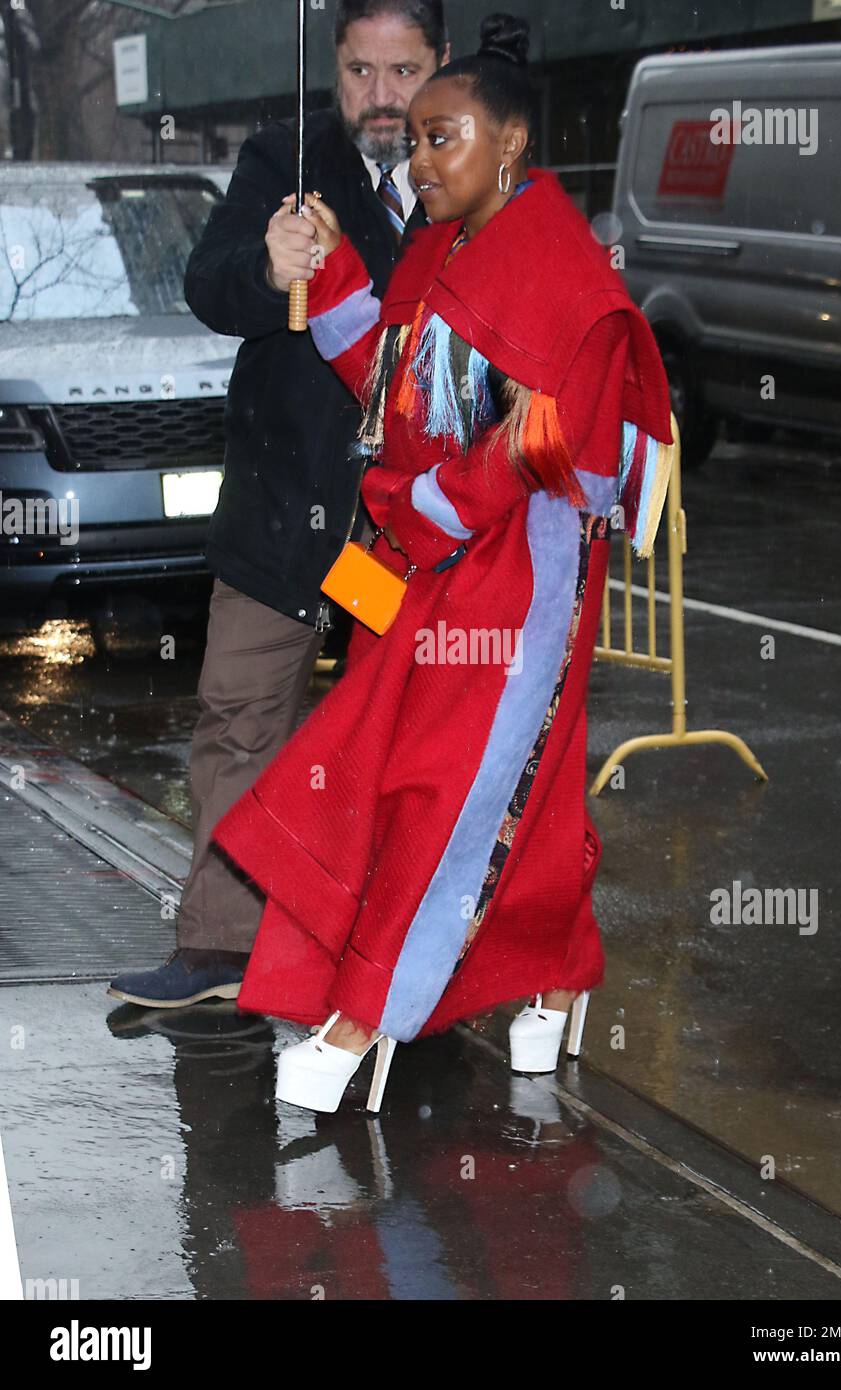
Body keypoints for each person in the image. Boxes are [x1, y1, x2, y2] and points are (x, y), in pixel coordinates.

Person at [211, 12, 675, 1114]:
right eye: (414, 141)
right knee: (503, 782)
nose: (418, 162)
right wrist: (328, 287)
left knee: (444, 783)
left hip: (516, 573)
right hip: (428, 564)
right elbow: (397, 391)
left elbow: (554, 439)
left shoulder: (564, 269)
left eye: (443, 137)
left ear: (507, 143)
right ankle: (557, 975)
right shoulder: (435, 248)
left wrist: (423, 505)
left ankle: (361, 1010)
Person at [107, 0, 449, 1010]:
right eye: (357, 71)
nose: (379, 98)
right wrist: (267, 267)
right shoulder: (280, 160)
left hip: (412, 524)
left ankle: (395, 960)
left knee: (409, 739)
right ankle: (219, 949)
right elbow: (207, 287)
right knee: (240, 719)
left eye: (401, 71)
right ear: (331, 67)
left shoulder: (465, 171)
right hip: (281, 507)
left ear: (438, 64)